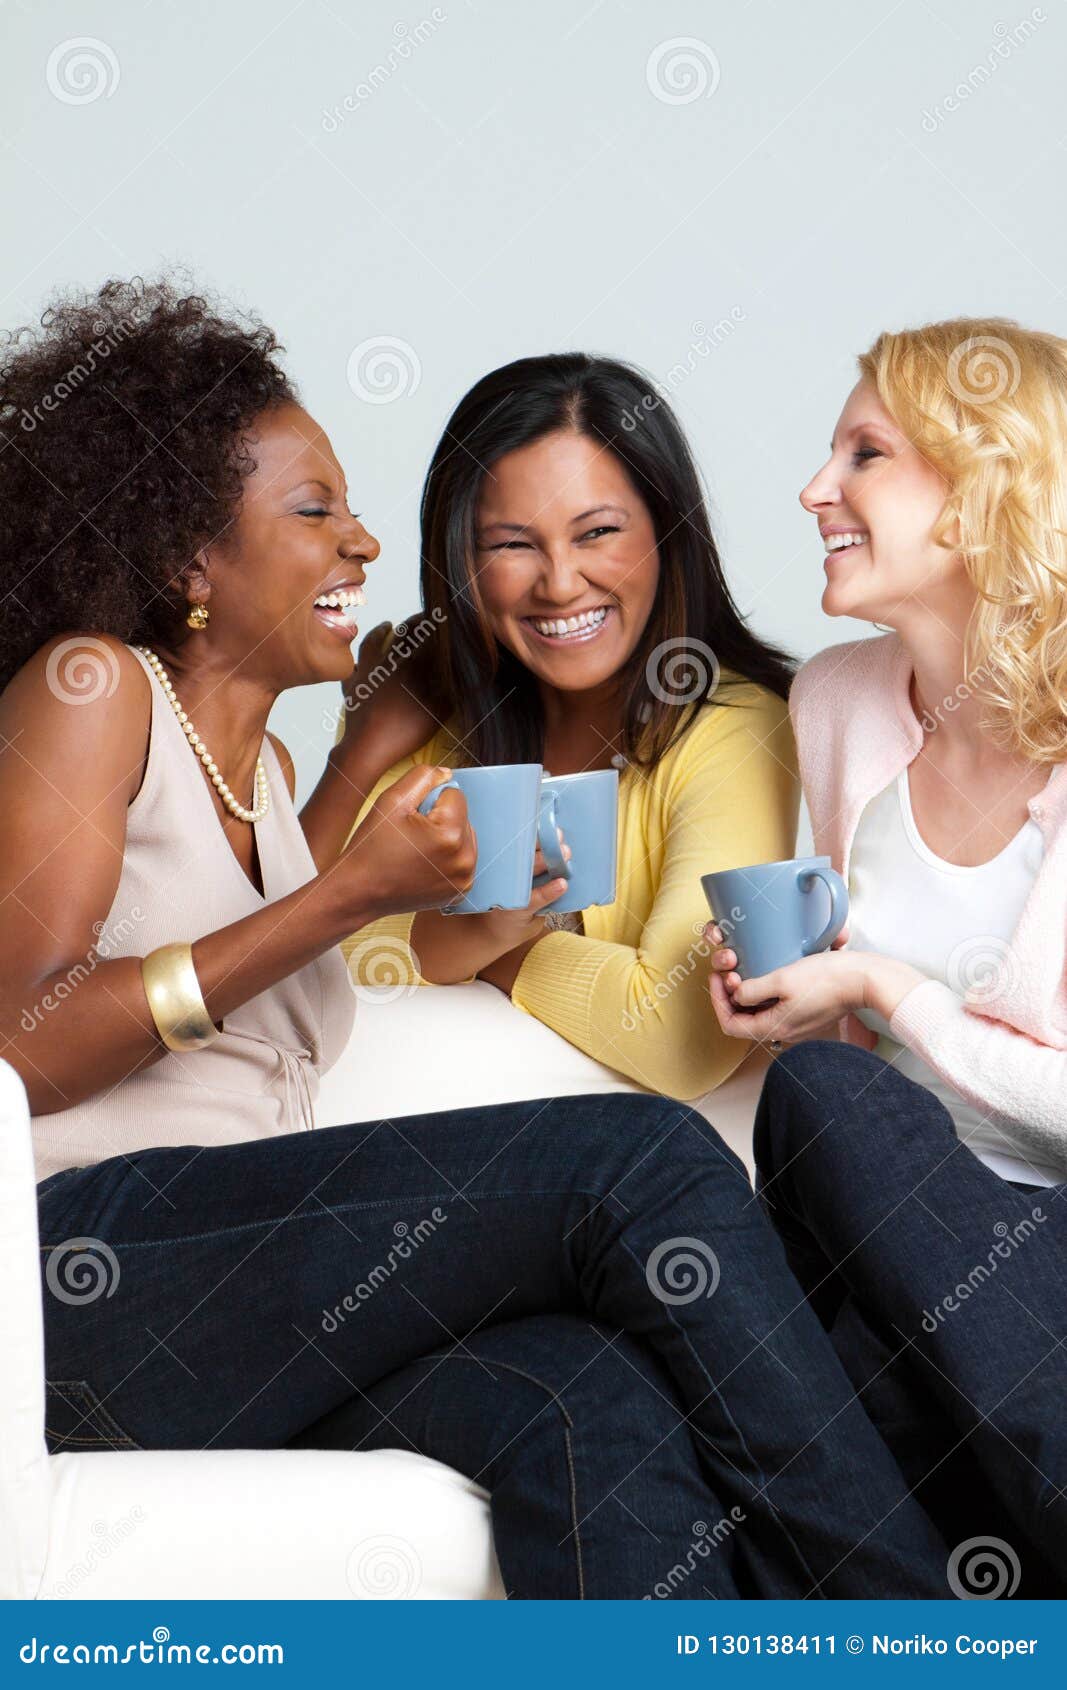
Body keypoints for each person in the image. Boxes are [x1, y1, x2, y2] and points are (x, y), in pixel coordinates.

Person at [2, 276, 950, 1600]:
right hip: (72, 1276)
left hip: (231, 1301)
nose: (362, 543)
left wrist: (370, 773)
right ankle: (904, 1620)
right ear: (188, 558)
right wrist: (354, 893)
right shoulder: (93, 688)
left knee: (579, 1395)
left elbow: (283, 943)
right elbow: (22, 1041)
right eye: (314, 511)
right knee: (634, 1164)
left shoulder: (266, 776)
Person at [709, 317, 1067, 1593]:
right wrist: (797, 998)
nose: (815, 488)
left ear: (979, 497)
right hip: (886, 1242)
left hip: (1042, 1246)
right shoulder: (835, 700)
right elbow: (855, 1056)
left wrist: (877, 986)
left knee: (832, 1114)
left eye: (863, 454)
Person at [328, 355, 799, 1101]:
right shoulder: (423, 701)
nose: (559, 583)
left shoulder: (738, 727)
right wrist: (361, 750)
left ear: (666, 532)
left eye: (597, 532)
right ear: (460, 559)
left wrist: (485, 948)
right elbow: (291, 943)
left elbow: (677, 1035)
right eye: (511, 544)